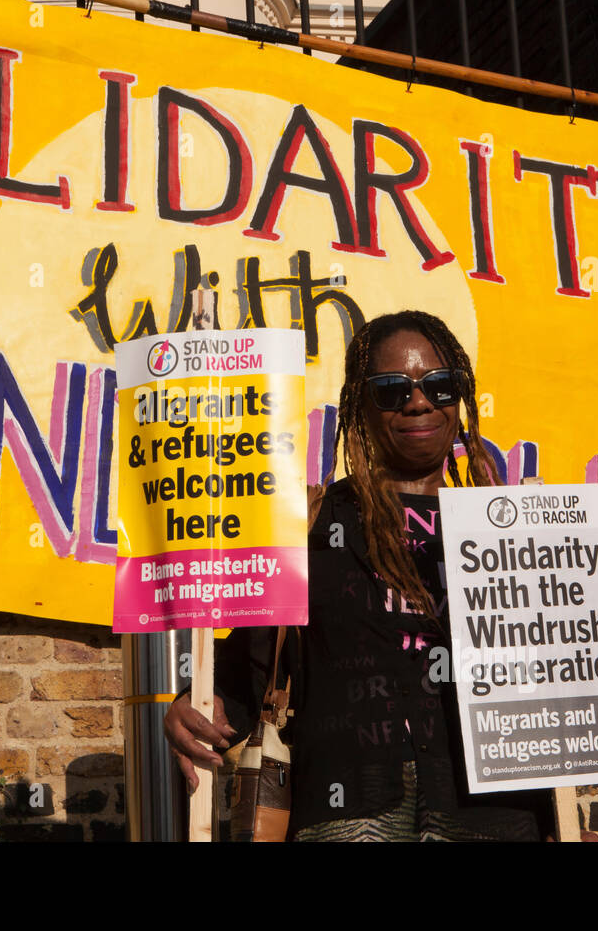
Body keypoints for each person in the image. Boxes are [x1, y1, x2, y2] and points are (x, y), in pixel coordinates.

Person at [163, 309, 556, 841]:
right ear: (361, 407)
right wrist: (195, 706)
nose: (419, 401)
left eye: (439, 385)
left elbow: (564, 692)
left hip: (495, 818)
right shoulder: (312, 525)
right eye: (391, 389)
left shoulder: (510, 535)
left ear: (460, 397)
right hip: (350, 815)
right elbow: (248, 668)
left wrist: (566, 818)